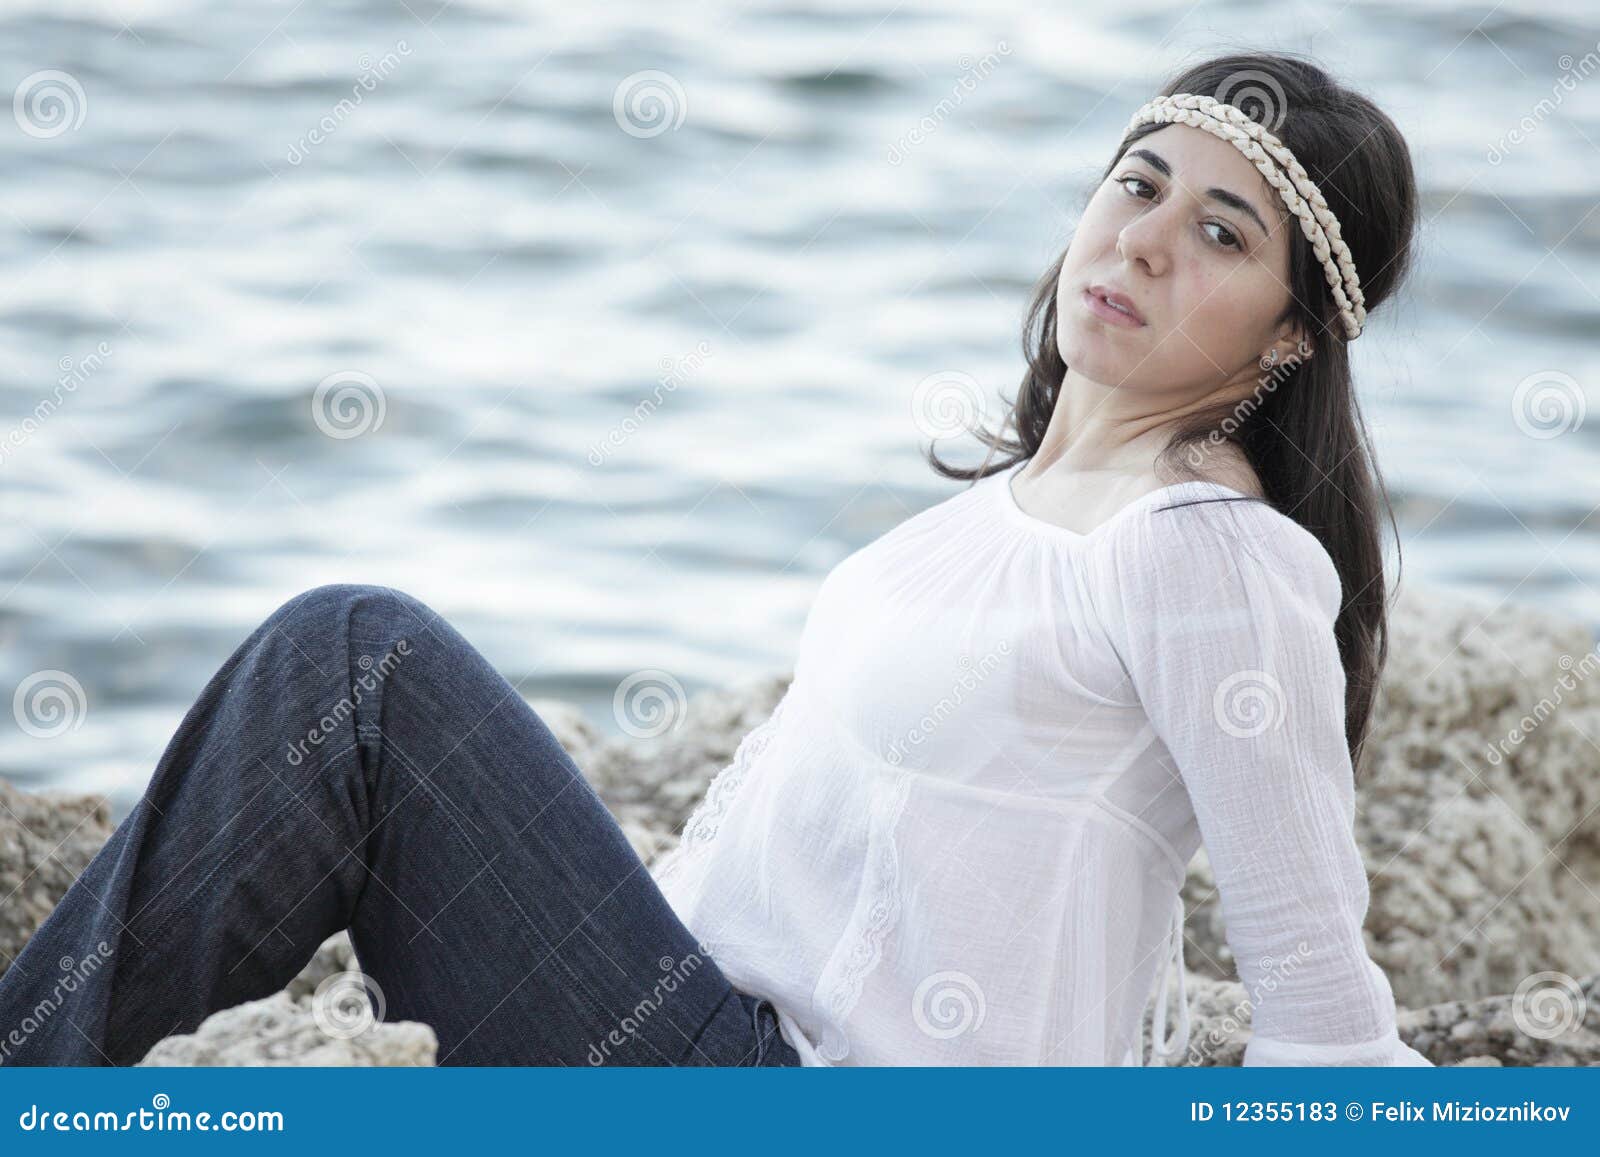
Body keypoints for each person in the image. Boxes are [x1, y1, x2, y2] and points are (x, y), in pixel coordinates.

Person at [0, 49, 1433, 1066]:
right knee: (347, 680)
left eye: (1221, 232)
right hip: (698, 1029)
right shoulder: (1008, 511)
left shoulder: (1208, 556)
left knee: (356, 664)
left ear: (1291, 335)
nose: (1145, 242)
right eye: (1138, 184)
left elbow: (1322, 1006)